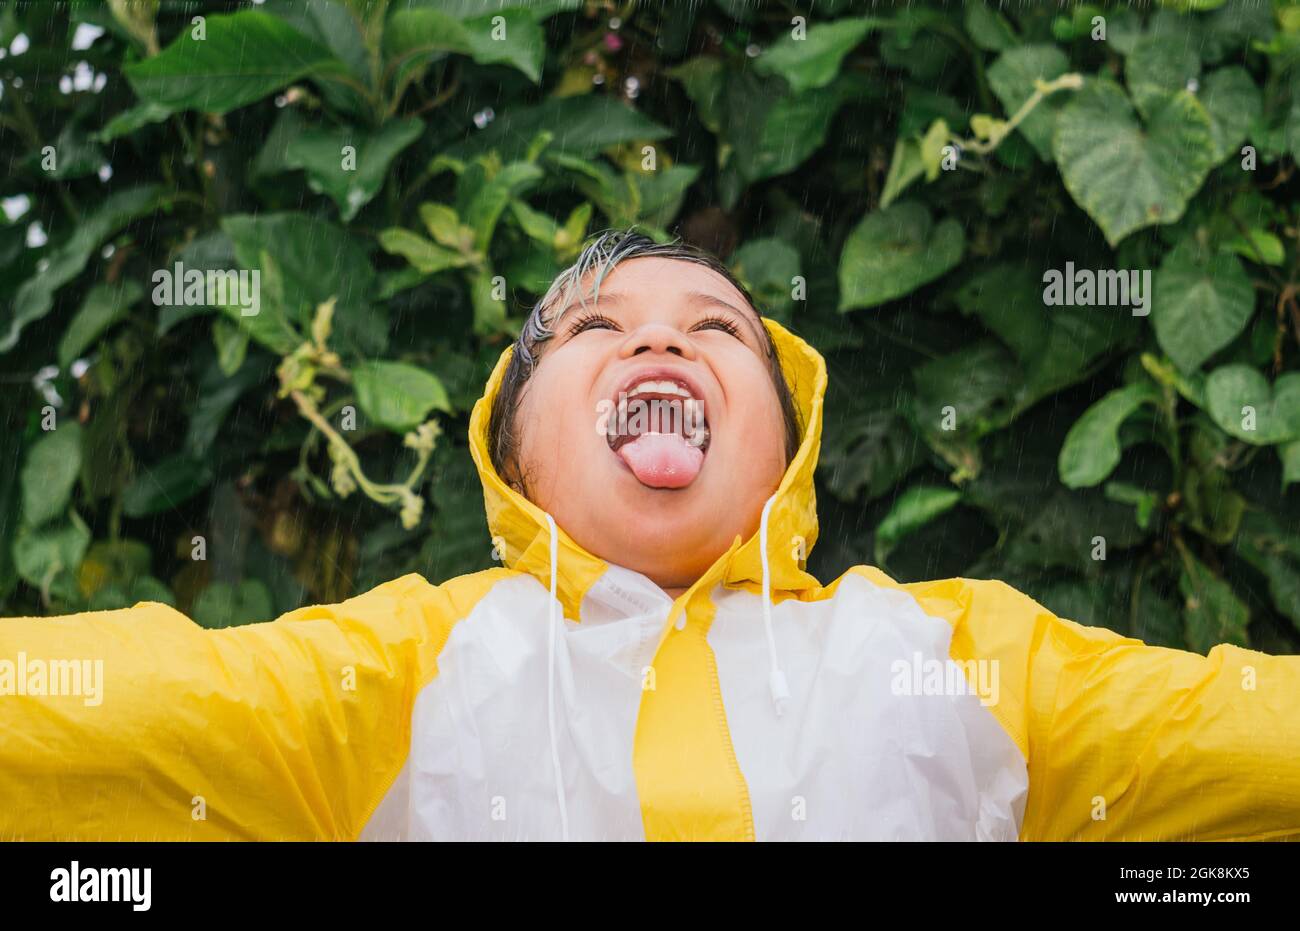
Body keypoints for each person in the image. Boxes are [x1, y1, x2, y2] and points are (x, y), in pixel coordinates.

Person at [1, 229, 1297, 841]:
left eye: (720, 326)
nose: (662, 335)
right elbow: (137, 709)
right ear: (515, 444)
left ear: (784, 452)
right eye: (597, 328)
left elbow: (1232, 743)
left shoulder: (950, 649)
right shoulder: (411, 661)